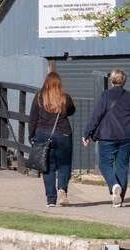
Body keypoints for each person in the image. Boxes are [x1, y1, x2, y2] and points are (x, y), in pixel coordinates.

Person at [28, 71, 76, 208]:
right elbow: (72, 111)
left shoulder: (38, 97)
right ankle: (62, 189)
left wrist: (31, 135)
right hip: (63, 134)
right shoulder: (65, 98)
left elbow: (32, 118)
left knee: (47, 167)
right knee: (64, 164)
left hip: (42, 134)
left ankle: (50, 199)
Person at [83, 68, 130, 206]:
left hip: (108, 136)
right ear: (124, 81)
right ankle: (119, 199)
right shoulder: (129, 96)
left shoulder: (106, 95)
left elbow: (96, 115)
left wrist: (87, 132)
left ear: (112, 80)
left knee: (104, 164)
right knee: (122, 166)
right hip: (126, 137)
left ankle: (114, 185)